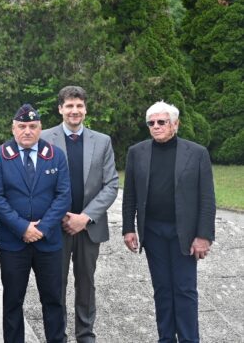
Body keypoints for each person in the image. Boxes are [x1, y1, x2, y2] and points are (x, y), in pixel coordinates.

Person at [122, 101, 215, 343]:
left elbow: (207, 198)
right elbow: (130, 194)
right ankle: (165, 338)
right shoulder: (137, 152)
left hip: (184, 233)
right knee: (162, 290)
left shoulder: (196, 153)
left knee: (184, 290)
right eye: (151, 123)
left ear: (175, 124)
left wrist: (204, 236)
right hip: (152, 231)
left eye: (161, 122)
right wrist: (128, 229)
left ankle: (188, 339)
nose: (156, 126)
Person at [40, 86, 118, 343]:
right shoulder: (44, 138)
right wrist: (61, 216)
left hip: (89, 227)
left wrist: (84, 218)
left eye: (79, 106)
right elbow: (39, 183)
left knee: (86, 284)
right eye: (69, 106)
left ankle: (85, 335)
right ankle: (57, 335)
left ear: (85, 109)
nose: (75, 111)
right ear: (60, 108)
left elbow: (111, 185)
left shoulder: (103, 141)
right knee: (56, 284)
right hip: (56, 227)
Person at [0, 104, 71, 343]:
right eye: (22, 126)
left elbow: (63, 196)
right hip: (13, 243)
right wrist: (23, 227)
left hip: (49, 242)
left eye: (32, 126)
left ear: (40, 128)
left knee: (54, 300)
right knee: (13, 301)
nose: (27, 131)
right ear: (13, 129)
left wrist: (42, 228)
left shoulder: (55, 155)